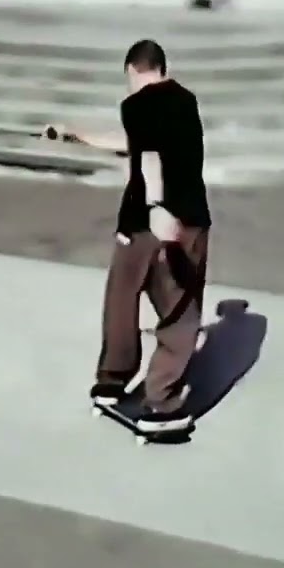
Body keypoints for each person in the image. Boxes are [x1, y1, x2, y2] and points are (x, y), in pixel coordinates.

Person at [44, 39, 212, 433]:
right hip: (186, 221)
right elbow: (138, 145)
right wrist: (77, 136)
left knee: (123, 300)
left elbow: (148, 153)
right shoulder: (186, 102)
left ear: (133, 71)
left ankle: (118, 385)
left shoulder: (135, 104)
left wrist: (155, 205)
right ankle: (160, 398)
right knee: (179, 311)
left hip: (144, 221)